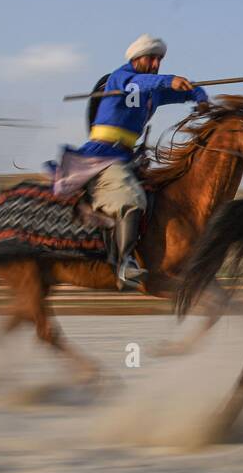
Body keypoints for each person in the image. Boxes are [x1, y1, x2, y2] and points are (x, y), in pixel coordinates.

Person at [69, 34, 206, 289]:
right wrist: (169, 80)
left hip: (128, 156)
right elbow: (142, 83)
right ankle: (124, 263)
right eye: (151, 58)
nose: (156, 64)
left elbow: (177, 92)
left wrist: (198, 95)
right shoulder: (121, 78)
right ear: (136, 58)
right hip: (102, 155)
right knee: (131, 201)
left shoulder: (151, 92)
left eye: (159, 60)